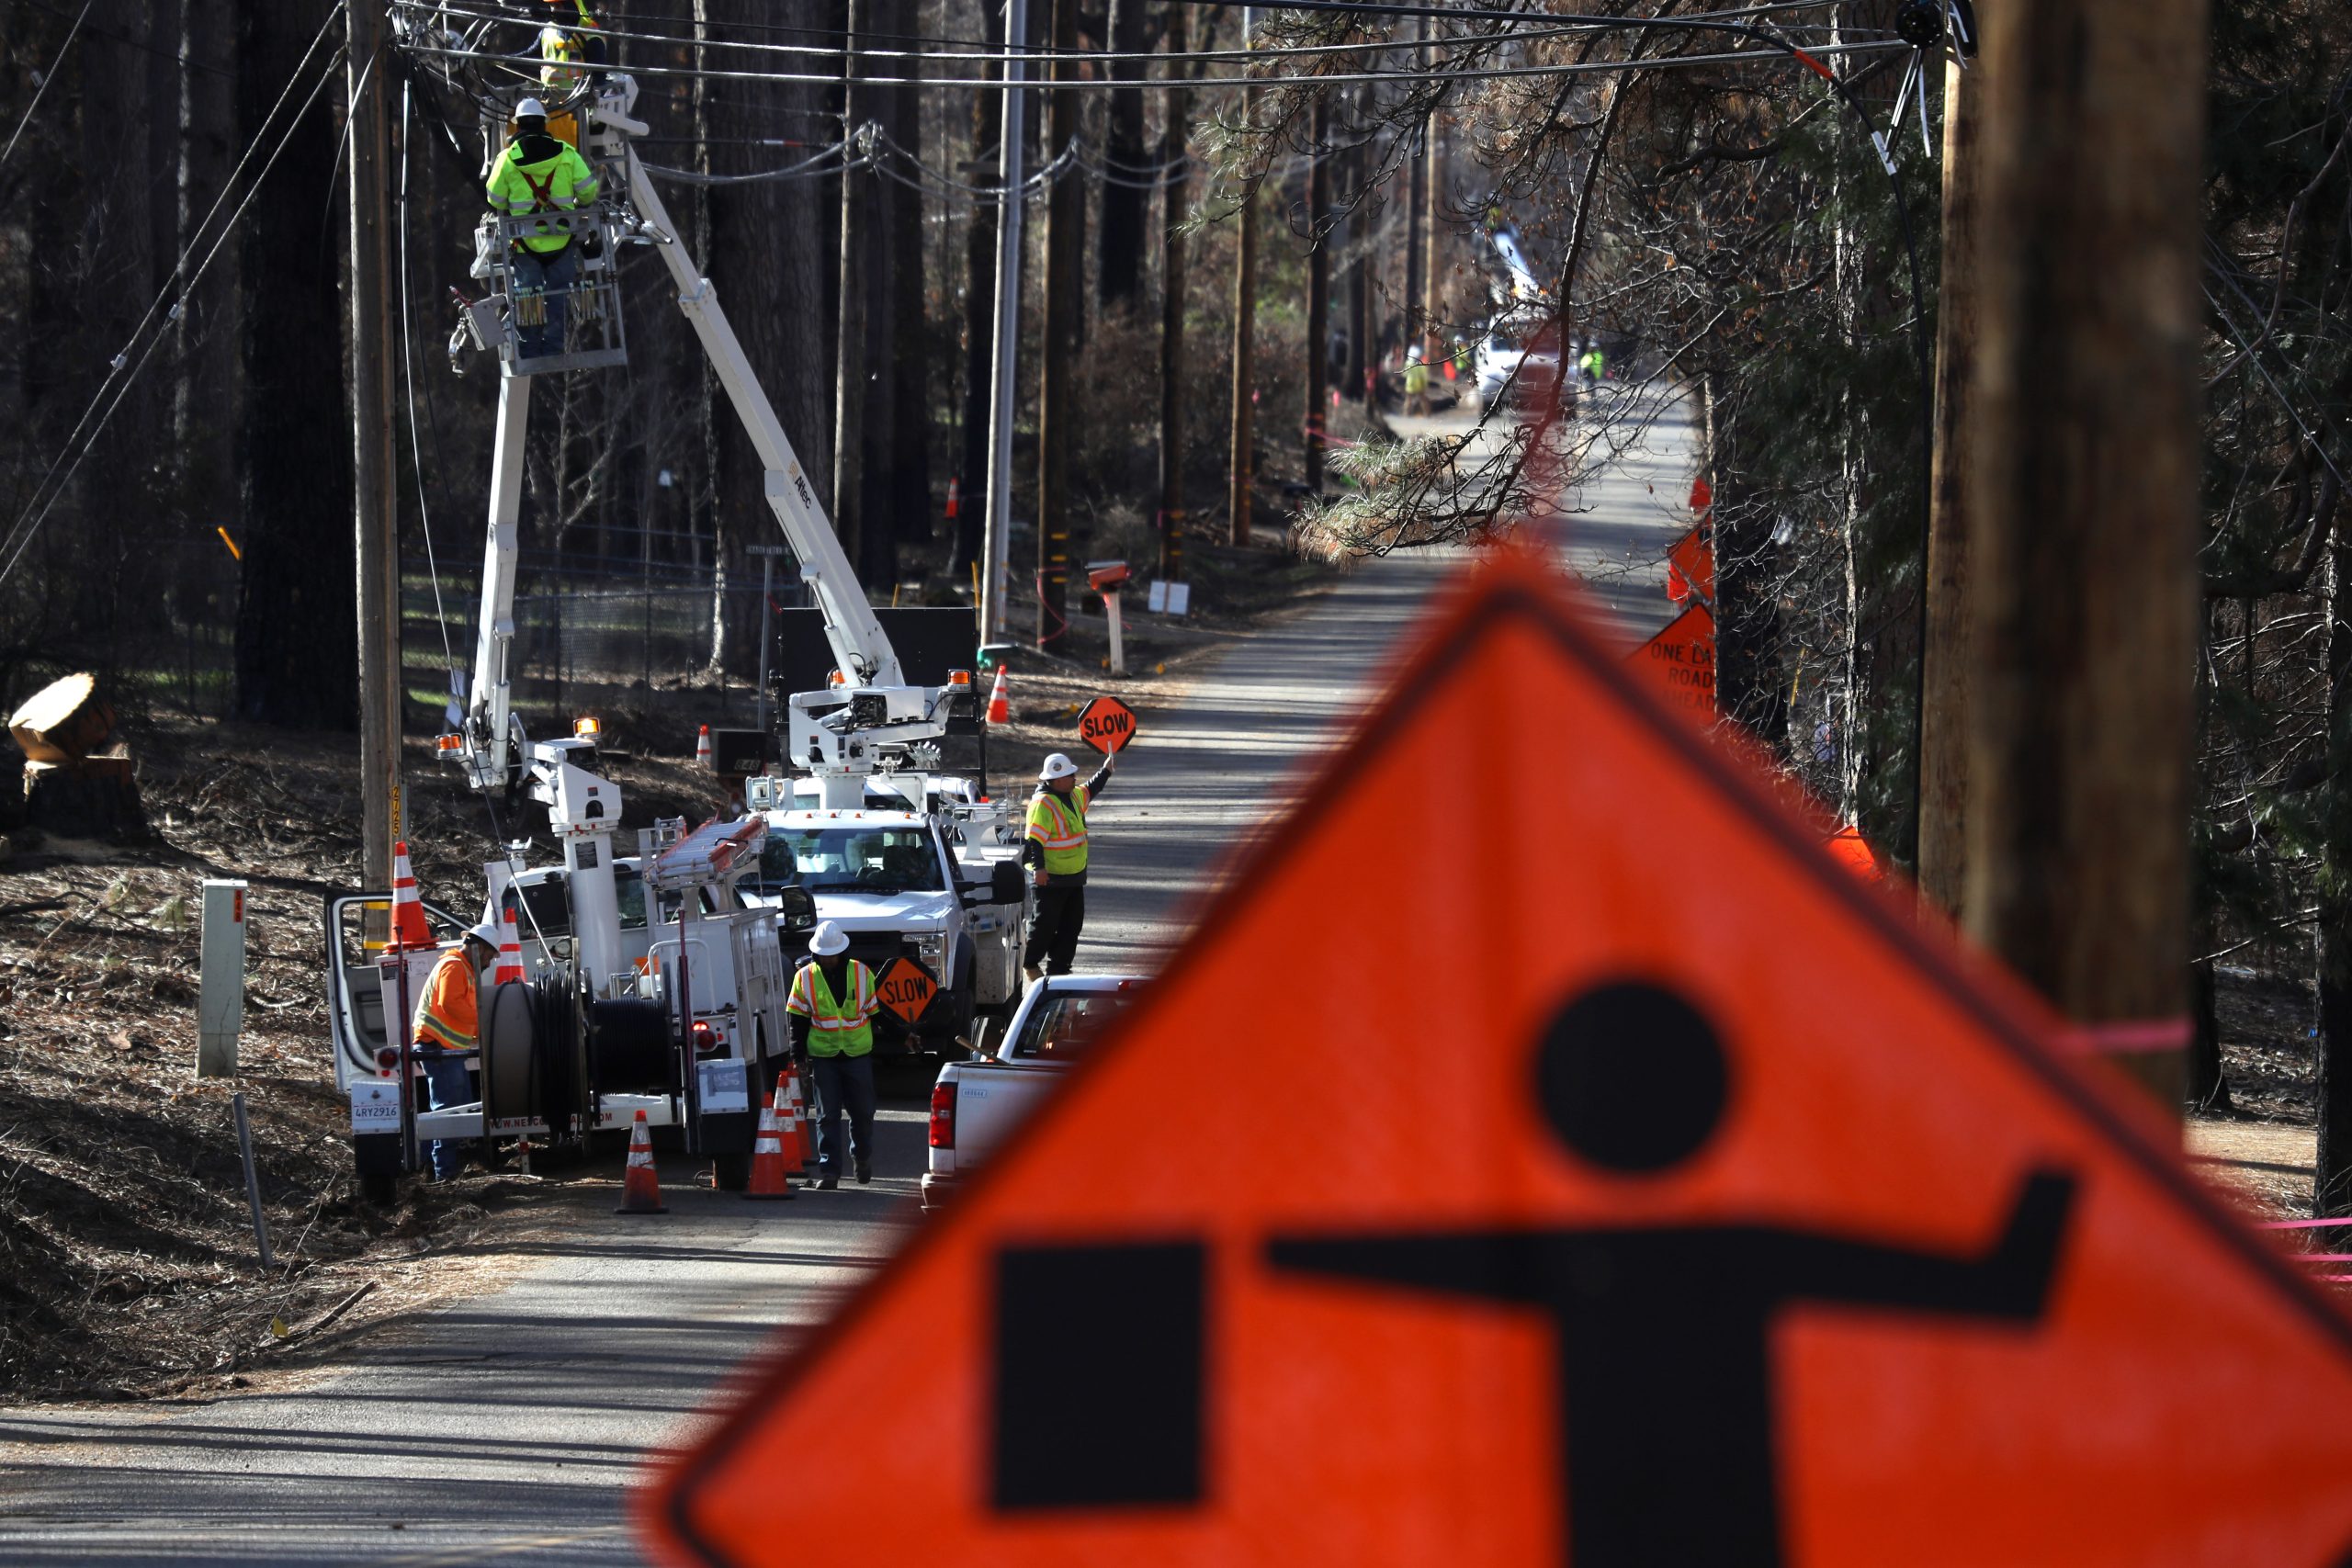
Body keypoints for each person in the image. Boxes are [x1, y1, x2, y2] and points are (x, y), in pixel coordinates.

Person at [485, 97, 600, 362]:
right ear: (544, 123)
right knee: (557, 297)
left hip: (526, 247)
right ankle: (553, 350)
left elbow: (495, 198)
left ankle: (529, 353)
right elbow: (588, 191)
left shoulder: (507, 159)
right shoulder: (567, 154)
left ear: (518, 126)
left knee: (528, 299)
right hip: (562, 244)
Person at [786, 920, 879, 1190]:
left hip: (857, 1055)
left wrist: (905, 1033)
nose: (828, 960)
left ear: (842, 952)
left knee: (862, 1113)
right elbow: (798, 1020)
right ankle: (829, 1172)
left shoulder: (862, 974)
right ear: (817, 954)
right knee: (827, 1116)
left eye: (832, 955)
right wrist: (798, 1054)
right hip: (824, 1056)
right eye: (824, 956)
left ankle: (861, 1157)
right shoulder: (804, 977)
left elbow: (877, 1014)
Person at [413, 920, 502, 1182]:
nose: (489, 963)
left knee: (457, 1107)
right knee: (449, 1111)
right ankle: (445, 1176)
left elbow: (456, 1011)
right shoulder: (454, 967)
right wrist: (482, 1020)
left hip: (445, 1049)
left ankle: (430, 1169)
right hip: (437, 1048)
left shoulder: (462, 969)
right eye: (490, 957)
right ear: (482, 950)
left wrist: (475, 1031)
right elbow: (449, 1004)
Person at [1022, 750, 1115, 981]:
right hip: (1050, 877)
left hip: (1073, 876)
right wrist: (1039, 869)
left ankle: (1059, 970)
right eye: (1070, 775)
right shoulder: (1042, 803)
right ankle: (1030, 964)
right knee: (1044, 924)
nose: (1075, 778)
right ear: (1056, 779)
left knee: (1072, 926)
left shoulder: (1072, 795)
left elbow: (1091, 789)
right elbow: (1034, 839)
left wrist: (1106, 770)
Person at [539, 0, 605, 91]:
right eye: (551, 5)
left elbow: (599, 79)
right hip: (548, 98)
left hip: (577, 101)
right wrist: (512, 59)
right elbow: (530, 54)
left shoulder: (591, 37)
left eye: (557, 6)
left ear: (571, 6)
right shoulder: (548, 30)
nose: (553, 10)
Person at [1402, 346, 1430, 416]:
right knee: (1423, 399)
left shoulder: (1408, 363)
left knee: (1408, 400)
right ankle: (1427, 414)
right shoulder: (1421, 364)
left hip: (1410, 384)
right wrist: (1425, 385)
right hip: (1419, 384)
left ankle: (1406, 414)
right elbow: (1423, 376)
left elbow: (1404, 374)